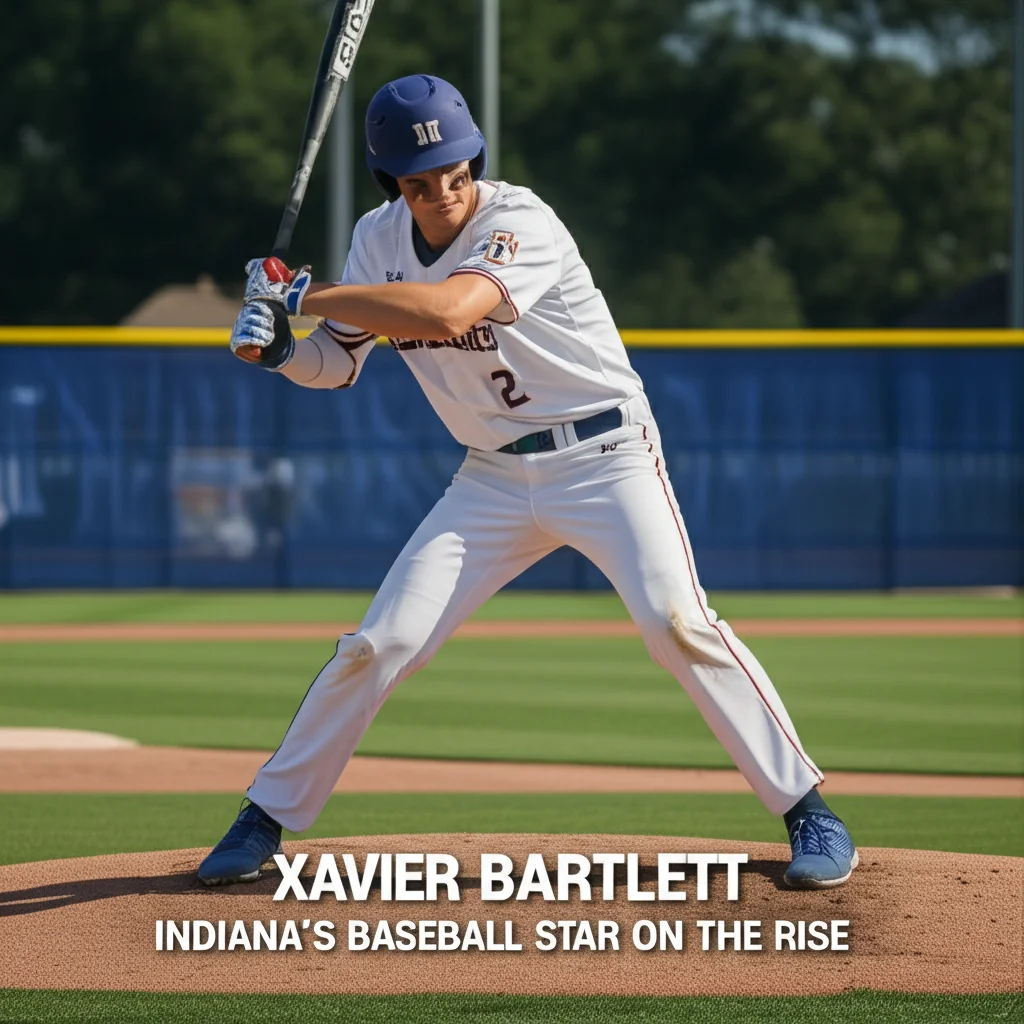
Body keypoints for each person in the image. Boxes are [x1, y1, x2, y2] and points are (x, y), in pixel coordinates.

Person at [197, 74, 857, 890]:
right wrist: (283, 351)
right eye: (419, 182)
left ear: (475, 160)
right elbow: (338, 363)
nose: (442, 193)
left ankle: (809, 811)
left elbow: (447, 313)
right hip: (492, 480)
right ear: (390, 184)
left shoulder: (520, 220)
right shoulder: (378, 240)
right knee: (380, 641)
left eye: (456, 173)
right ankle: (262, 821)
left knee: (676, 621)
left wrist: (297, 290)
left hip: (607, 458)